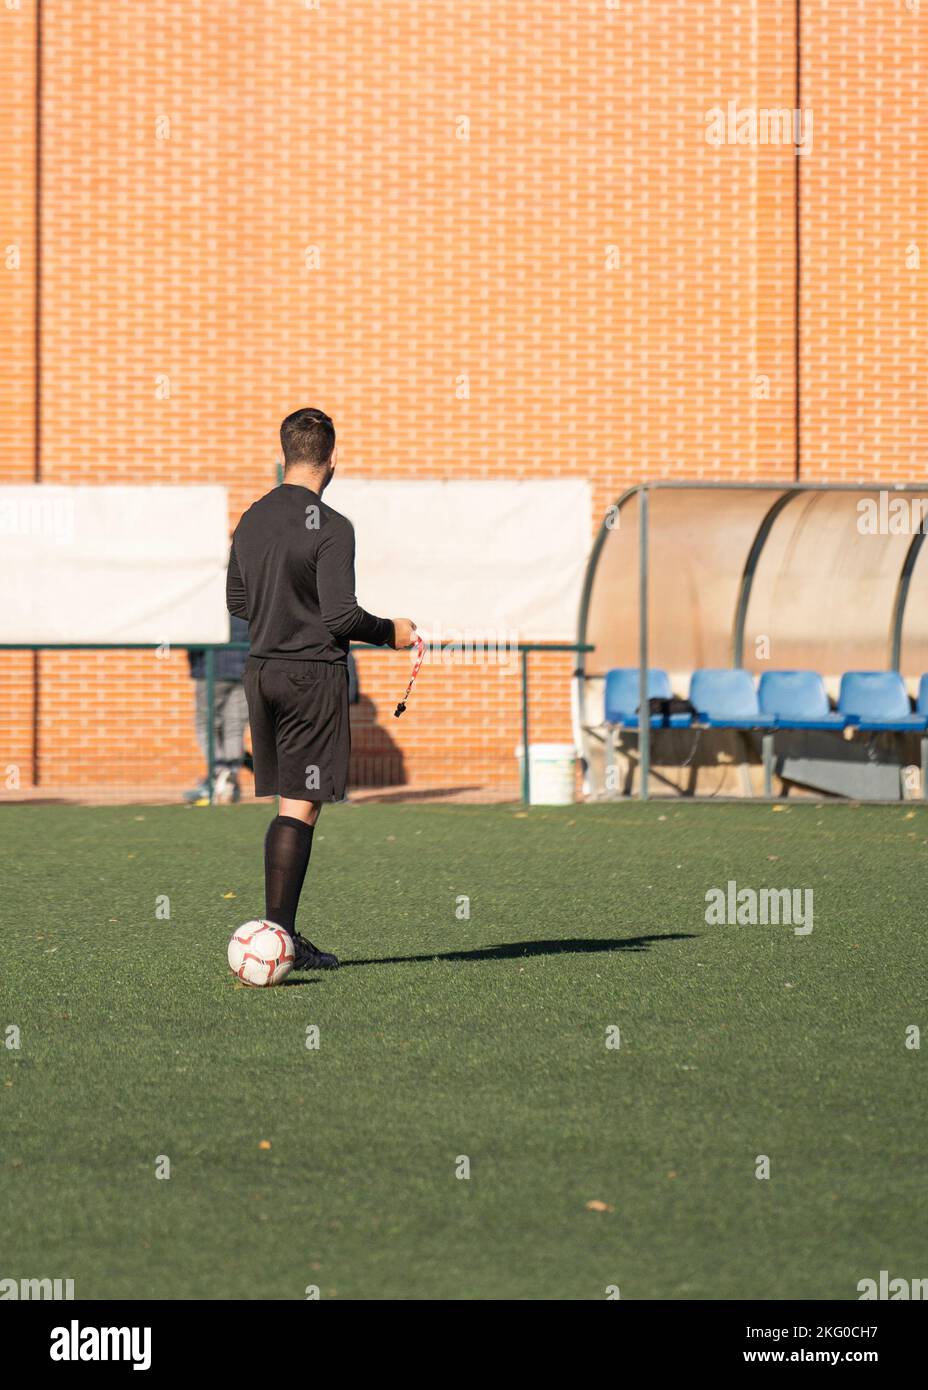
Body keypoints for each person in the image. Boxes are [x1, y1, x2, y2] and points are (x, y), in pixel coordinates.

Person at [226, 407, 416, 971]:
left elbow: (239, 605)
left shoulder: (251, 519)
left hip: (262, 673)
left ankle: (280, 935)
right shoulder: (332, 526)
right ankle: (280, 937)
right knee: (300, 810)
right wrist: (392, 633)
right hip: (311, 678)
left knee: (291, 804)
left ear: (282, 453)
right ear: (332, 459)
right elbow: (340, 617)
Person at [184, 613, 250, 804]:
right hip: (244, 668)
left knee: (205, 724)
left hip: (212, 668)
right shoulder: (247, 597)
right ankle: (229, 776)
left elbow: (193, 636)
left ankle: (219, 772)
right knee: (234, 728)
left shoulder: (207, 601)